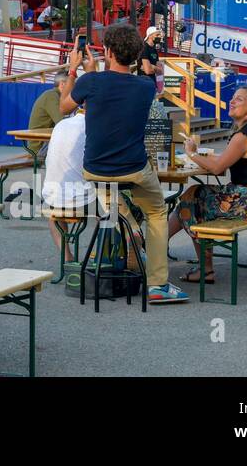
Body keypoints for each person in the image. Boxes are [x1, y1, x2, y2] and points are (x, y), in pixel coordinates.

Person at [61, 23, 189, 305]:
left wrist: (75, 71)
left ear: (106, 51)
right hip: (134, 167)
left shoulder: (90, 82)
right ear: (135, 55)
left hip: (95, 168)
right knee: (156, 212)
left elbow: (64, 107)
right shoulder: (145, 88)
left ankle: (132, 234)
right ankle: (157, 283)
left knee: (113, 207)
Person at [168, 86, 247, 284]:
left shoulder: (243, 136)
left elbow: (218, 168)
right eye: (232, 98)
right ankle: (157, 247)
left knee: (190, 202)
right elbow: (226, 160)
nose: (232, 101)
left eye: (239, 99)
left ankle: (157, 249)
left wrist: (191, 153)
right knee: (193, 195)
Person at [40, 85, 91, 261]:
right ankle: (98, 256)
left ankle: (67, 258)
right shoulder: (95, 126)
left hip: (52, 194)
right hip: (83, 198)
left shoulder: (61, 124)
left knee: (54, 216)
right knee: (114, 209)